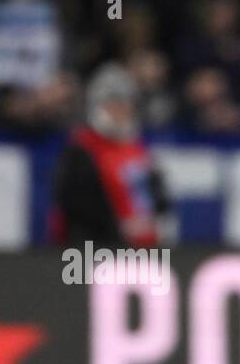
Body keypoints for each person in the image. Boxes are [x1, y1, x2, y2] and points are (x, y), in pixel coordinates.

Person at [50, 62, 168, 247]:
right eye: (113, 106)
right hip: (95, 248)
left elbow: (158, 196)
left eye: (125, 106)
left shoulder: (137, 149)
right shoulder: (81, 149)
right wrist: (119, 225)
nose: (121, 113)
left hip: (140, 249)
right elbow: (74, 204)